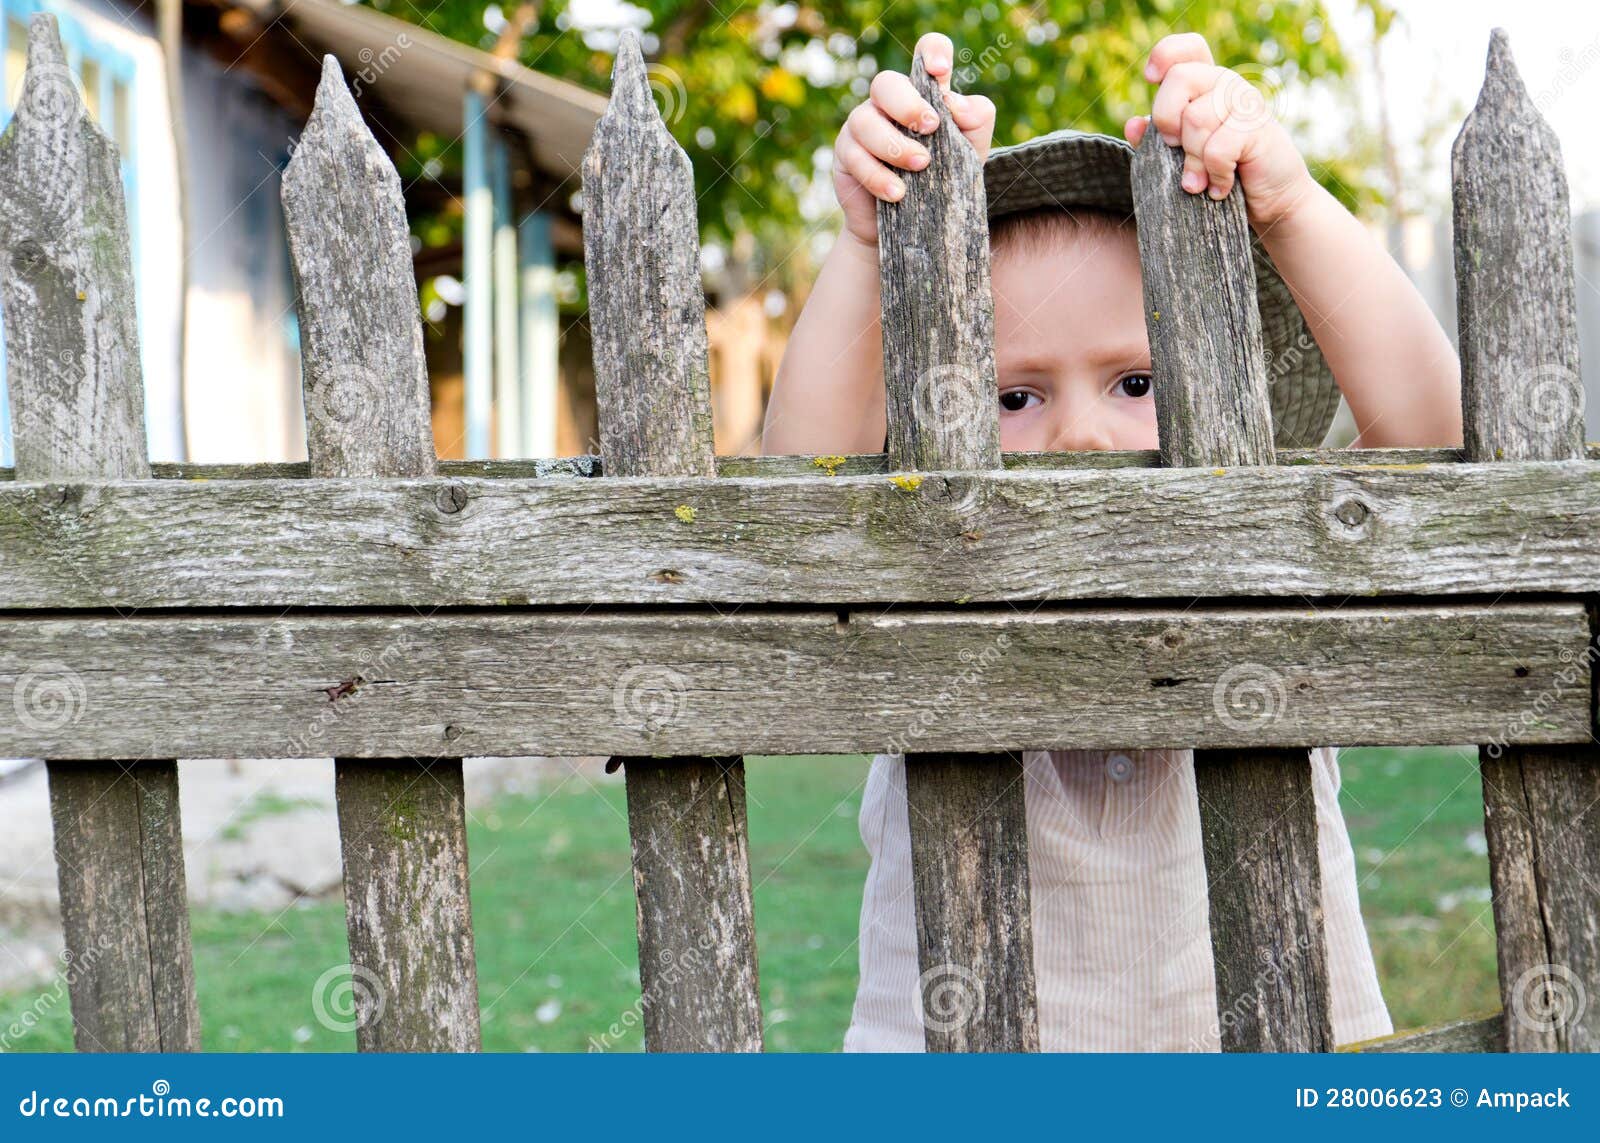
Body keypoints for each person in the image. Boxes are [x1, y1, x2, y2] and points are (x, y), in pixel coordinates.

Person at [762, 30, 1463, 1050]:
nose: (1080, 435)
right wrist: (872, 251)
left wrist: (1292, 206)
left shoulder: (1269, 538)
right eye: (1011, 395)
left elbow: (1434, 441)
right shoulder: (916, 566)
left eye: (1136, 383)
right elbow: (797, 502)